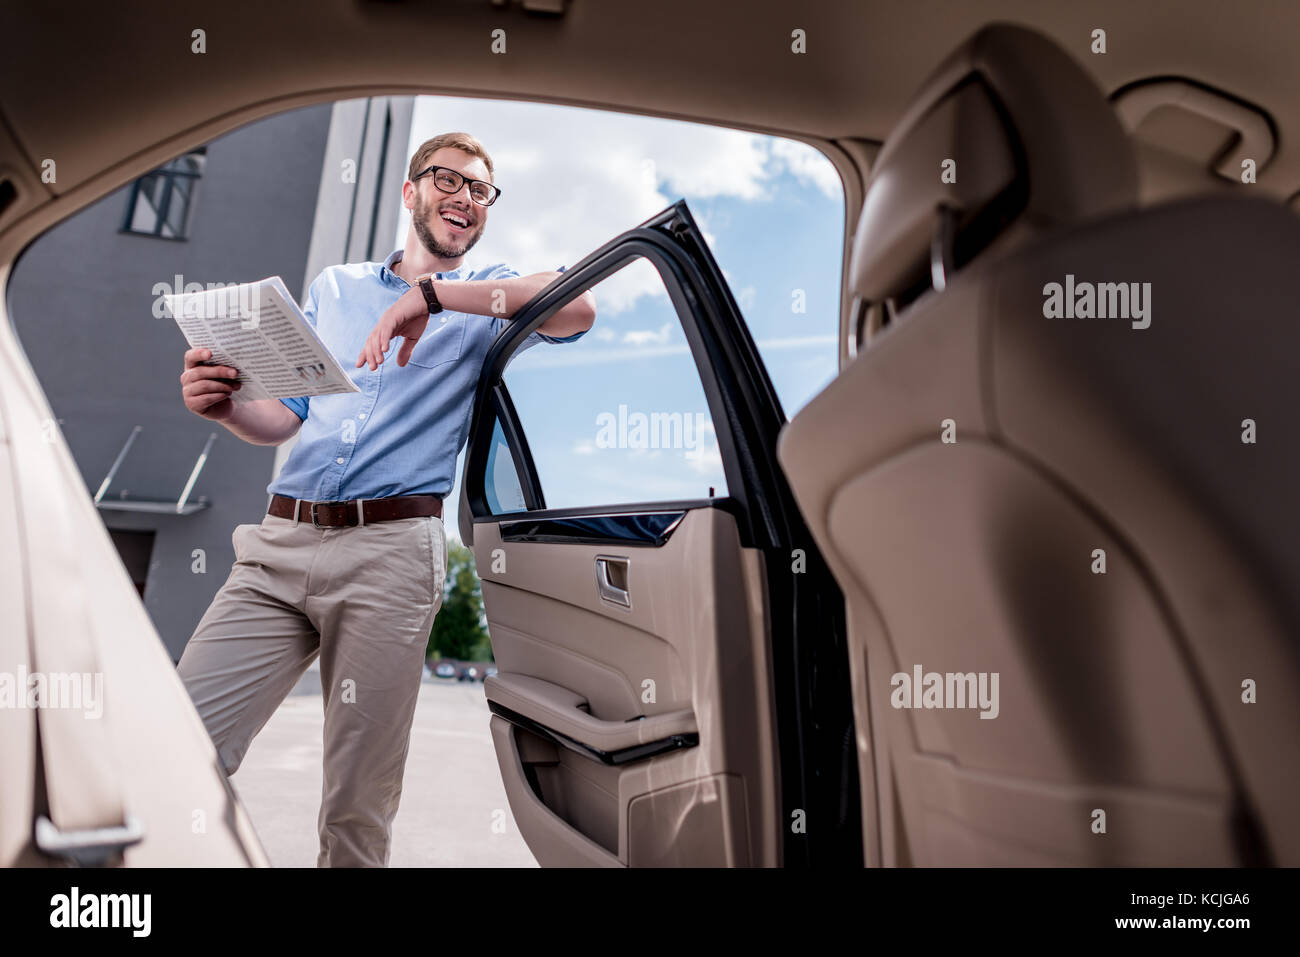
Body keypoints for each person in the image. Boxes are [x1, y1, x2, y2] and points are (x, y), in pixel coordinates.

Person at [175, 131, 595, 867]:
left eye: (480, 190)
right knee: (177, 744)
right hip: (278, 545)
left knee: (356, 806)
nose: (465, 197)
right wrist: (227, 407)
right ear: (411, 192)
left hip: (390, 557)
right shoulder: (335, 289)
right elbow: (290, 416)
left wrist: (432, 297)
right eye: (449, 180)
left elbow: (578, 308)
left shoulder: (487, 290)